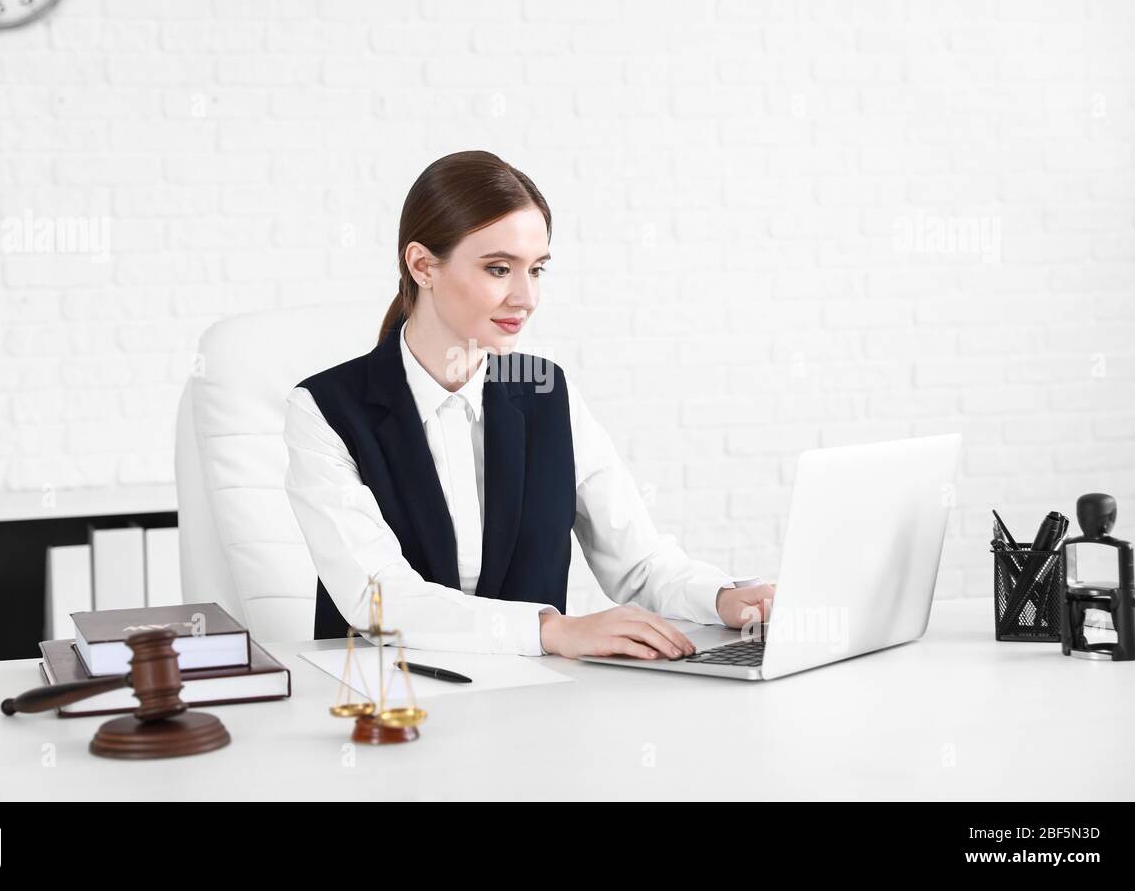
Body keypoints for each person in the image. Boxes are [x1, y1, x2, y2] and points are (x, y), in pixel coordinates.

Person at [283, 150, 775, 661]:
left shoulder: (545, 389)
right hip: (385, 706)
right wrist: (551, 631)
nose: (527, 297)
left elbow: (637, 562)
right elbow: (378, 598)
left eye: (536, 269)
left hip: (530, 708)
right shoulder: (325, 409)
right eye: (499, 269)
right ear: (423, 265)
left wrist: (723, 599)